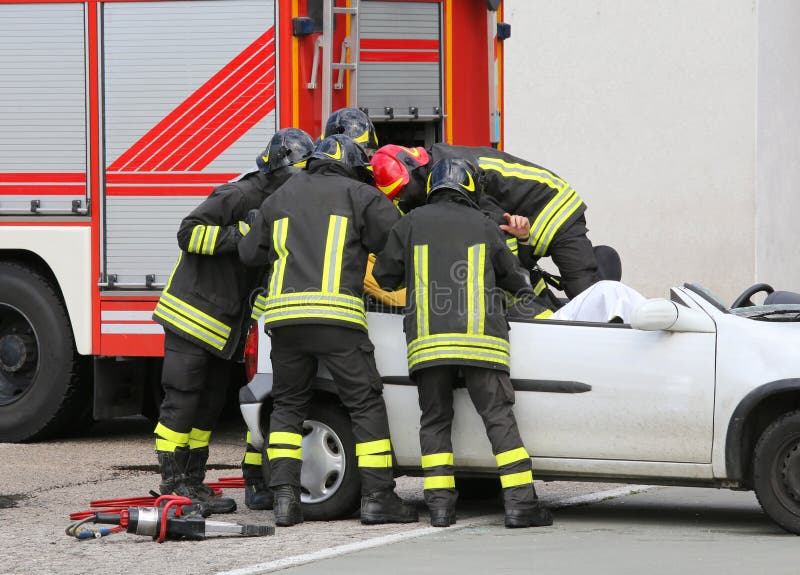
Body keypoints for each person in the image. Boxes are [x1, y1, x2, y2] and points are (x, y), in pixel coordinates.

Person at [238, 135, 418, 527]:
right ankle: (378, 498)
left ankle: (285, 500)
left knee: (287, 406)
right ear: (353, 167)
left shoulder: (278, 198)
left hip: (284, 321)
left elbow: (250, 253)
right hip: (337, 320)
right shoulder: (361, 195)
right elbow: (399, 245)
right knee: (365, 404)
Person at [372, 158, 554, 529]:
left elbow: (384, 279)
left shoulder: (409, 223)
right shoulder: (485, 226)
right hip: (482, 345)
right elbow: (515, 282)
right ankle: (520, 506)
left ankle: (440, 508)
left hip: (428, 344)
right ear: (469, 187)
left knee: (435, 421)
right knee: (499, 419)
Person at [151, 128, 314, 514]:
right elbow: (187, 233)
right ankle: (171, 483)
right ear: (276, 170)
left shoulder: (279, 206)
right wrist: (240, 232)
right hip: (191, 316)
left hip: (223, 328)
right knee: (183, 400)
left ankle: (193, 481)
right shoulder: (239, 195)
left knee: (207, 405)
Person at [371, 143, 601, 300]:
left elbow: (495, 229)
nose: (402, 199)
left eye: (403, 191)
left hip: (552, 206)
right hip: (520, 223)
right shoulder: (427, 181)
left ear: (415, 170)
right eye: (396, 196)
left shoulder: (456, 174)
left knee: (583, 289)